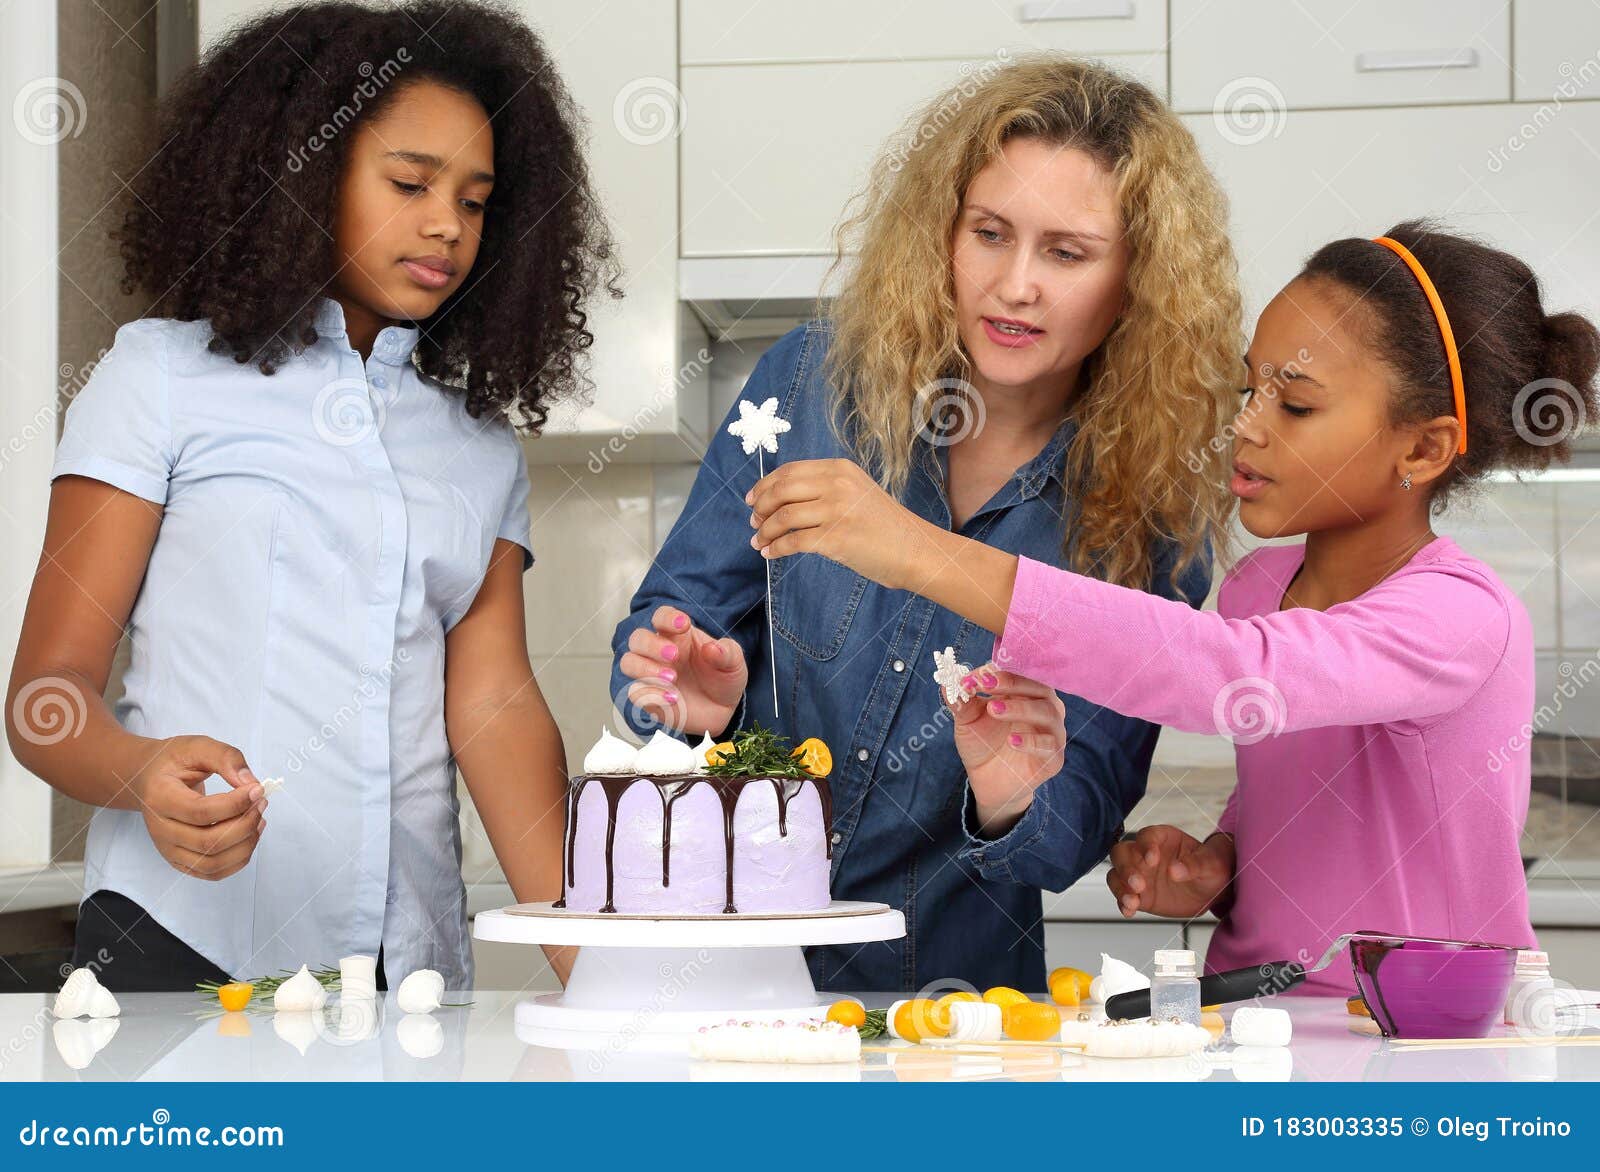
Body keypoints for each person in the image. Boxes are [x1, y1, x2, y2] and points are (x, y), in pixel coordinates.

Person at [747, 220, 1599, 994]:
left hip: (1424, 1036)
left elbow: (1232, 673)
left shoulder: (1460, 615)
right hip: (1258, 1011)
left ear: (1424, 446)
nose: (1249, 428)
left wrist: (920, 551)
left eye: (1295, 404)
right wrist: (1224, 866)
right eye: (1250, 389)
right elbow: (1306, 796)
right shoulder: (1262, 588)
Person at [5, 0, 616, 991]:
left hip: (405, 968)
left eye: (475, 200)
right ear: (304, 172)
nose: (445, 225)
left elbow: (495, 710)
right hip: (181, 942)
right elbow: (46, 693)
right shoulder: (159, 378)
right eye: (410, 182)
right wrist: (141, 770)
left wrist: (598, 968)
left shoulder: (478, 444)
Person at [615, 57, 1242, 991]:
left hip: (953, 1010)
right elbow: (664, 632)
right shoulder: (810, 385)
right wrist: (688, 710)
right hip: (729, 977)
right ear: (941, 231)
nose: (1015, 285)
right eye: (989, 234)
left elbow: (1072, 832)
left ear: (1135, 281)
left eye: (1066, 254)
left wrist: (1010, 789)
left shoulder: (1154, 508)